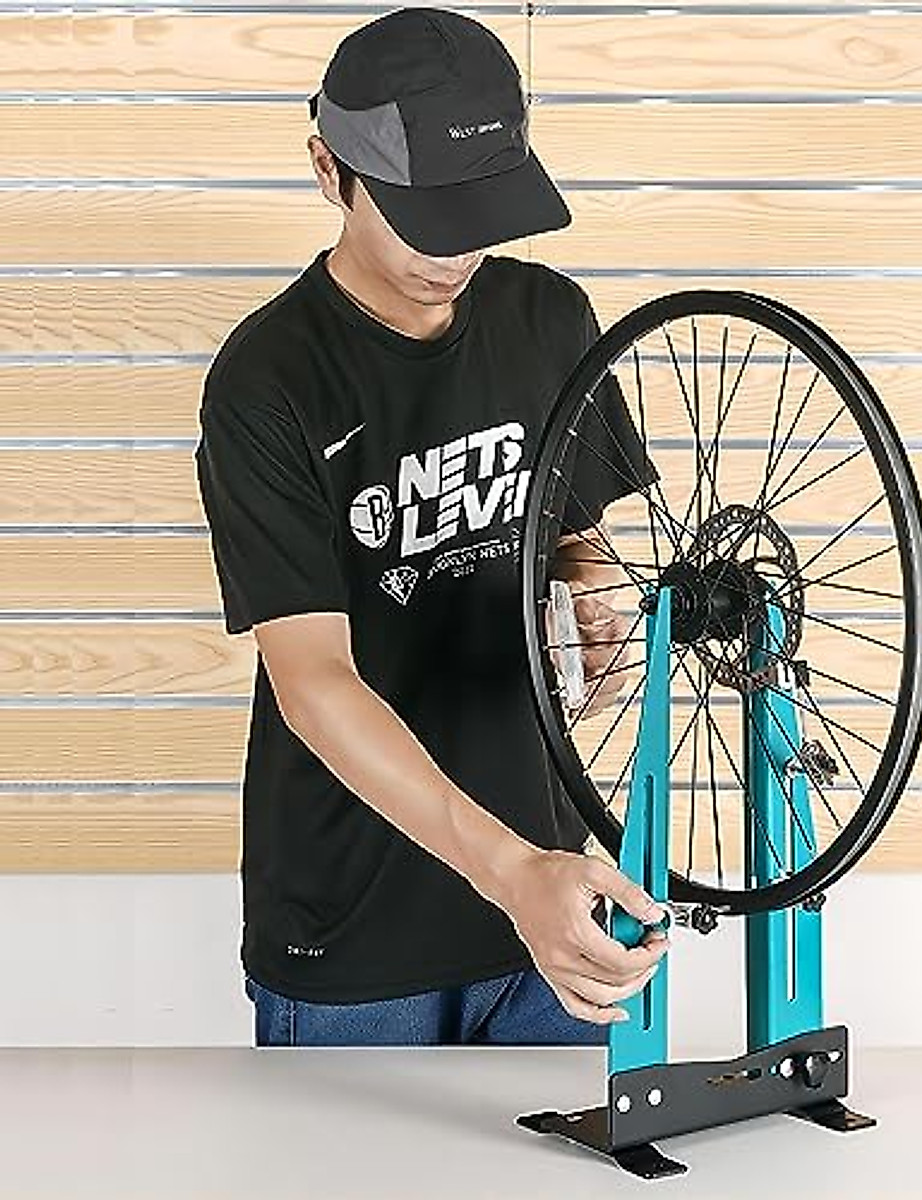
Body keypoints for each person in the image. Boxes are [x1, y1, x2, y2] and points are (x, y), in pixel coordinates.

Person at [193, 7, 668, 1048]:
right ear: (329, 169)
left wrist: (596, 605)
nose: (453, 252)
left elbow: (574, 536)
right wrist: (511, 872)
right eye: (422, 217)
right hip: (359, 937)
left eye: (478, 213)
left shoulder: (550, 319)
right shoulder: (268, 380)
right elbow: (313, 680)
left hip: (553, 906)